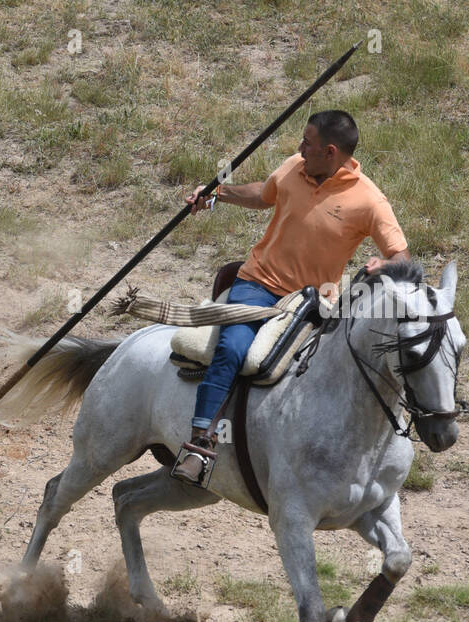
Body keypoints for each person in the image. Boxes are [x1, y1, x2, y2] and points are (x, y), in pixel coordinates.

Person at [173, 109, 410, 485]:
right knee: (233, 350)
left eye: (307, 143)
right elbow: (265, 195)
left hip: (311, 302)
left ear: (330, 152)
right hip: (256, 283)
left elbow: (402, 257)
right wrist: (217, 192)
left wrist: (384, 265)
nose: (300, 148)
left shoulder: (369, 201)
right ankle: (200, 444)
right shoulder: (294, 167)